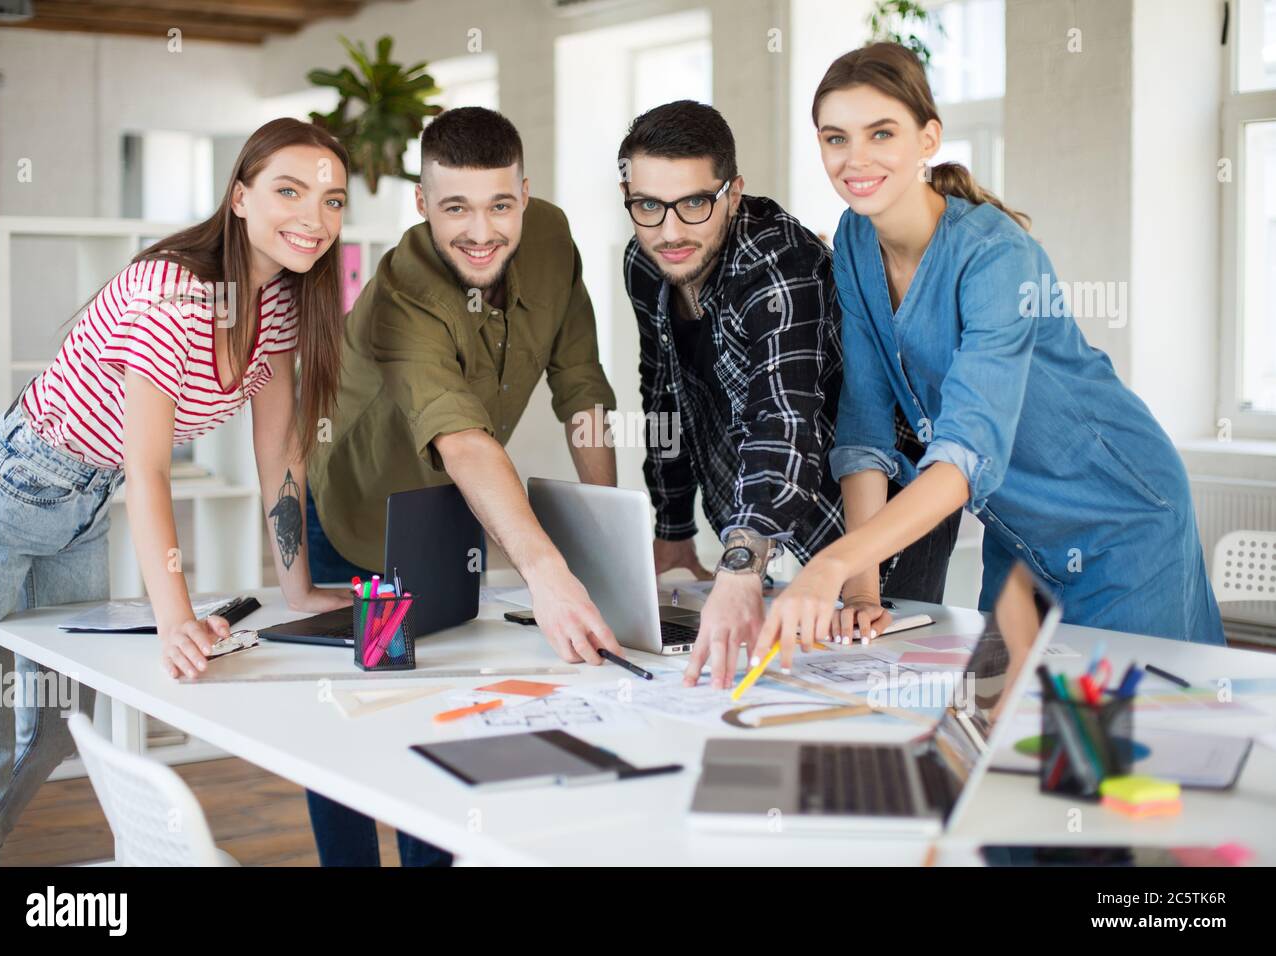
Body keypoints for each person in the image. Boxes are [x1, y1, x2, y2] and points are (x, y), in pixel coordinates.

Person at [755, 43, 1225, 668]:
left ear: (928, 140)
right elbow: (865, 424)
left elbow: (964, 452)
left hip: (1118, 517)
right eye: (835, 138)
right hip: (1018, 531)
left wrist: (832, 560)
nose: (855, 159)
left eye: (881, 133)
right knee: (997, 718)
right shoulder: (854, 238)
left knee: (1126, 733)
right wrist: (862, 586)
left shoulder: (996, 258)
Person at [0, 117, 354, 841]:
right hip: (10, 491)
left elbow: (279, 452)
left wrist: (299, 587)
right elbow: (150, 466)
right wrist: (176, 616)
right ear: (239, 197)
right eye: (289, 191)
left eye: (332, 200)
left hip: (86, 504)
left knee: (58, 731)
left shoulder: (277, 303)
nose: (315, 217)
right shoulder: (172, 291)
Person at [304, 106, 621, 866]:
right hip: (358, 521)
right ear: (421, 203)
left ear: (524, 192)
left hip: (451, 515)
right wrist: (544, 568)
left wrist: (608, 544)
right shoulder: (401, 293)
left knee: (447, 710)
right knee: (355, 715)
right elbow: (464, 439)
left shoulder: (548, 238)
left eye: (500, 205)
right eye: (455, 208)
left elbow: (581, 389)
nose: (482, 232)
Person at [618, 100, 962, 690]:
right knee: (785, 682)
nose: (670, 231)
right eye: (648, 205)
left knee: (881, 687)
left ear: (733, 192)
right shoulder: (647, 264)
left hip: (875, 513)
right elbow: (664, 397)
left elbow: (783, 418)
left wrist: (741, 564)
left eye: (694, 203)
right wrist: (674, 532)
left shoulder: (780, 263)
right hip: (765, 517)